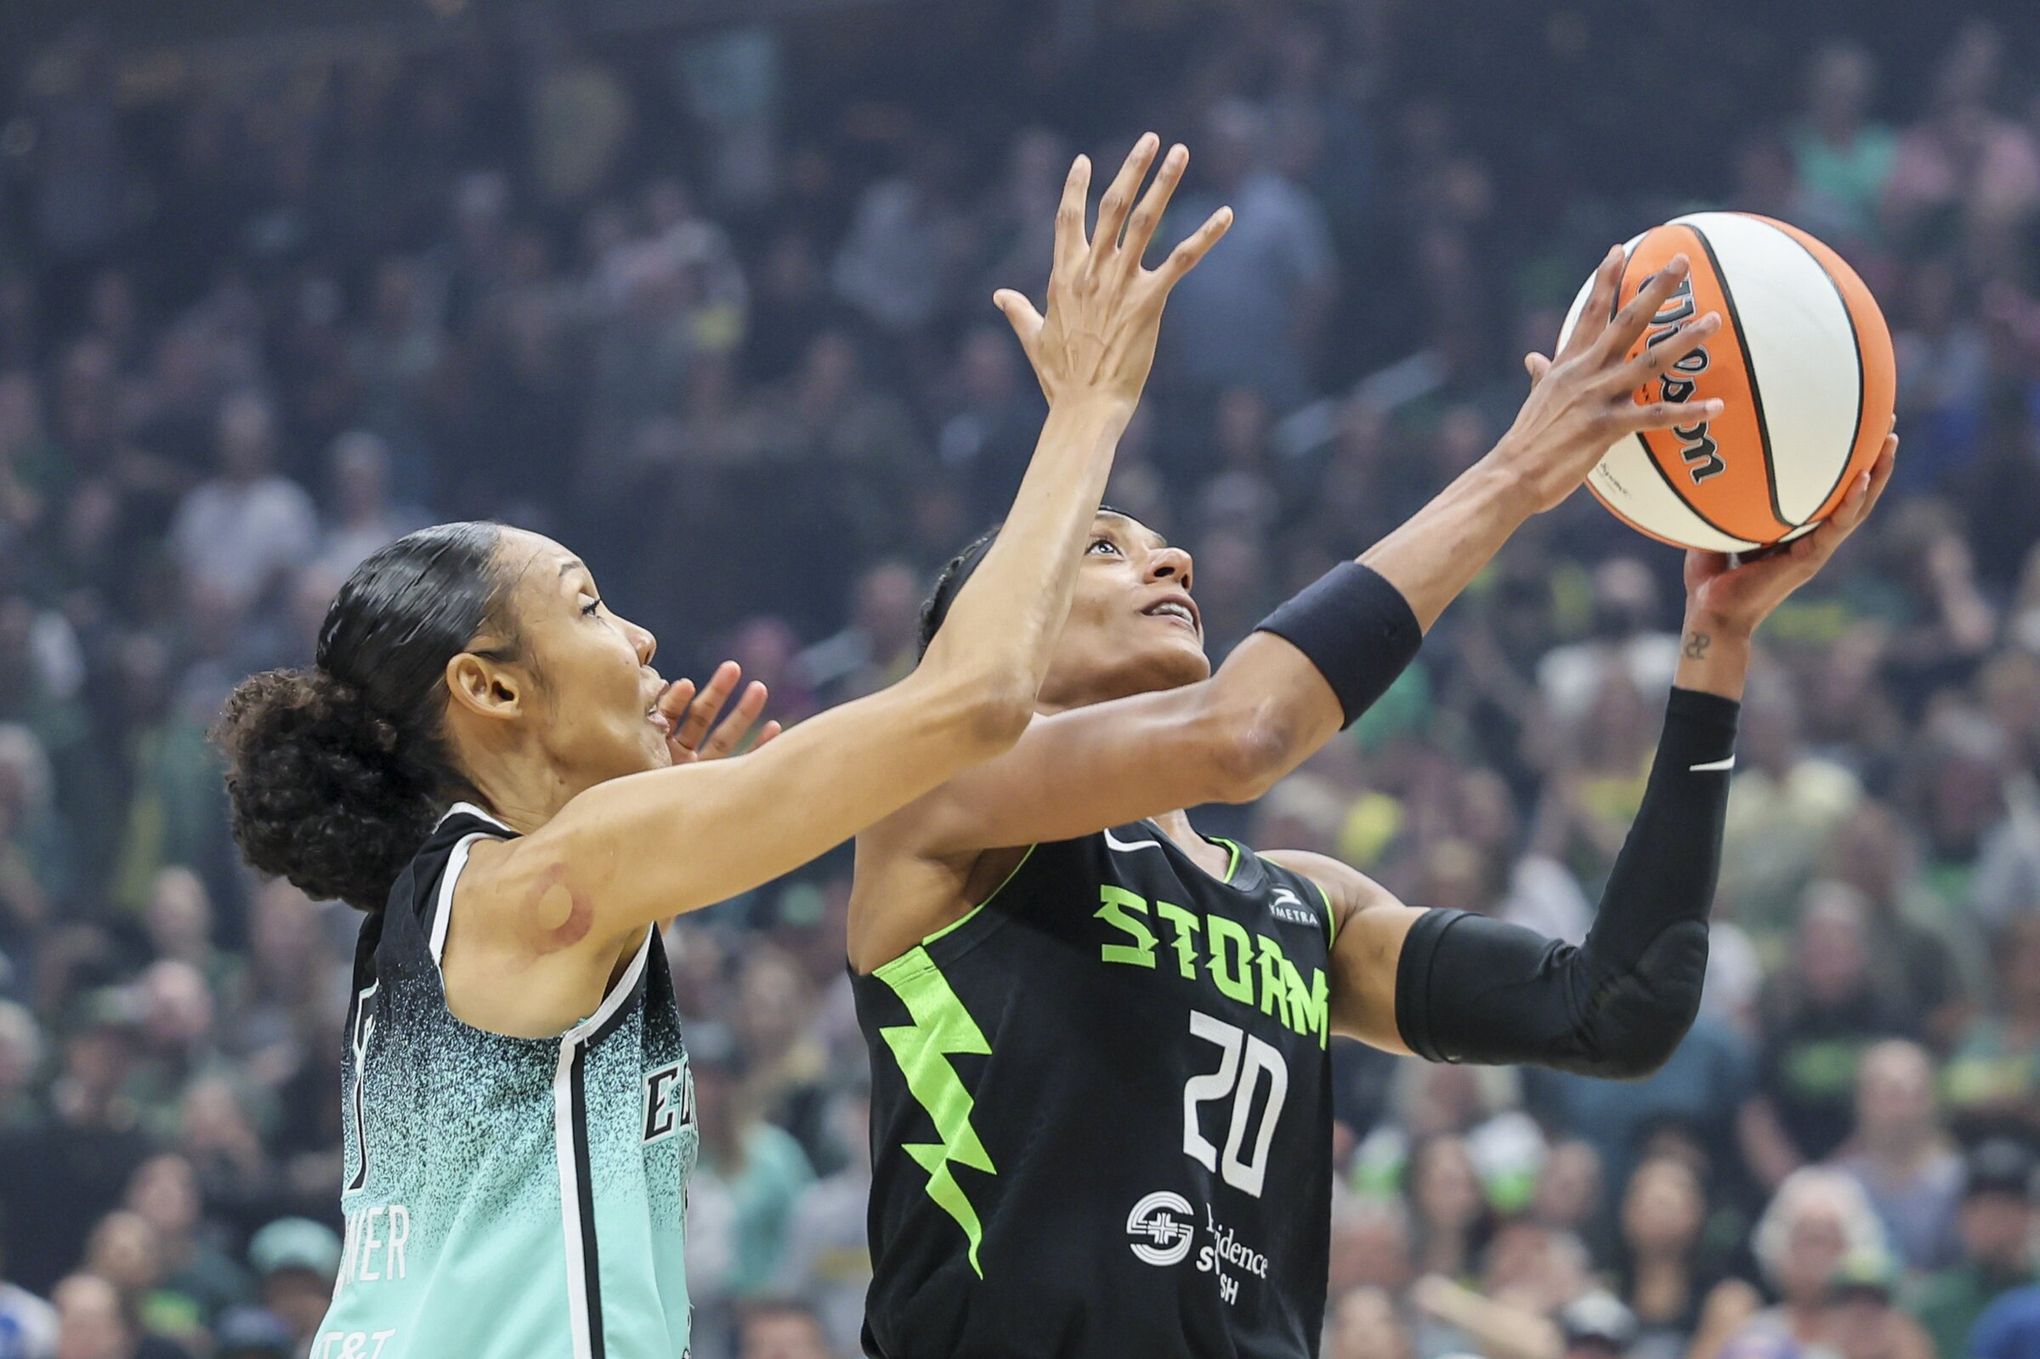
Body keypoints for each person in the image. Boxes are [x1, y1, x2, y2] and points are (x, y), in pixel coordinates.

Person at [208, 135, 1232, 1359]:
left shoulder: (458, 915)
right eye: (589, 607)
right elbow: (975, 705)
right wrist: (1088, 410)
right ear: (488, 687)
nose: (640, 637)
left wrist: (664, 858)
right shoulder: (532, 881)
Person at [848, 223, 1901, 1357]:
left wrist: (1717, 646)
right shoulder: (936, 797)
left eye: (1157, 542)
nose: (1170, 560)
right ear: (990, 629)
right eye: (1105, 547)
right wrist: (1516, 471)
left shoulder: (1305, 907)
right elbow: (1248, 732)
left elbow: (1617, 1008)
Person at [1905, 1139, 2037, 1359]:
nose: (1995, 1223)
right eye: (1983, 1209)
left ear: (2030, 1215)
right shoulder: (1935, 1306)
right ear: (1962, 1217)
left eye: (2006, 1208)